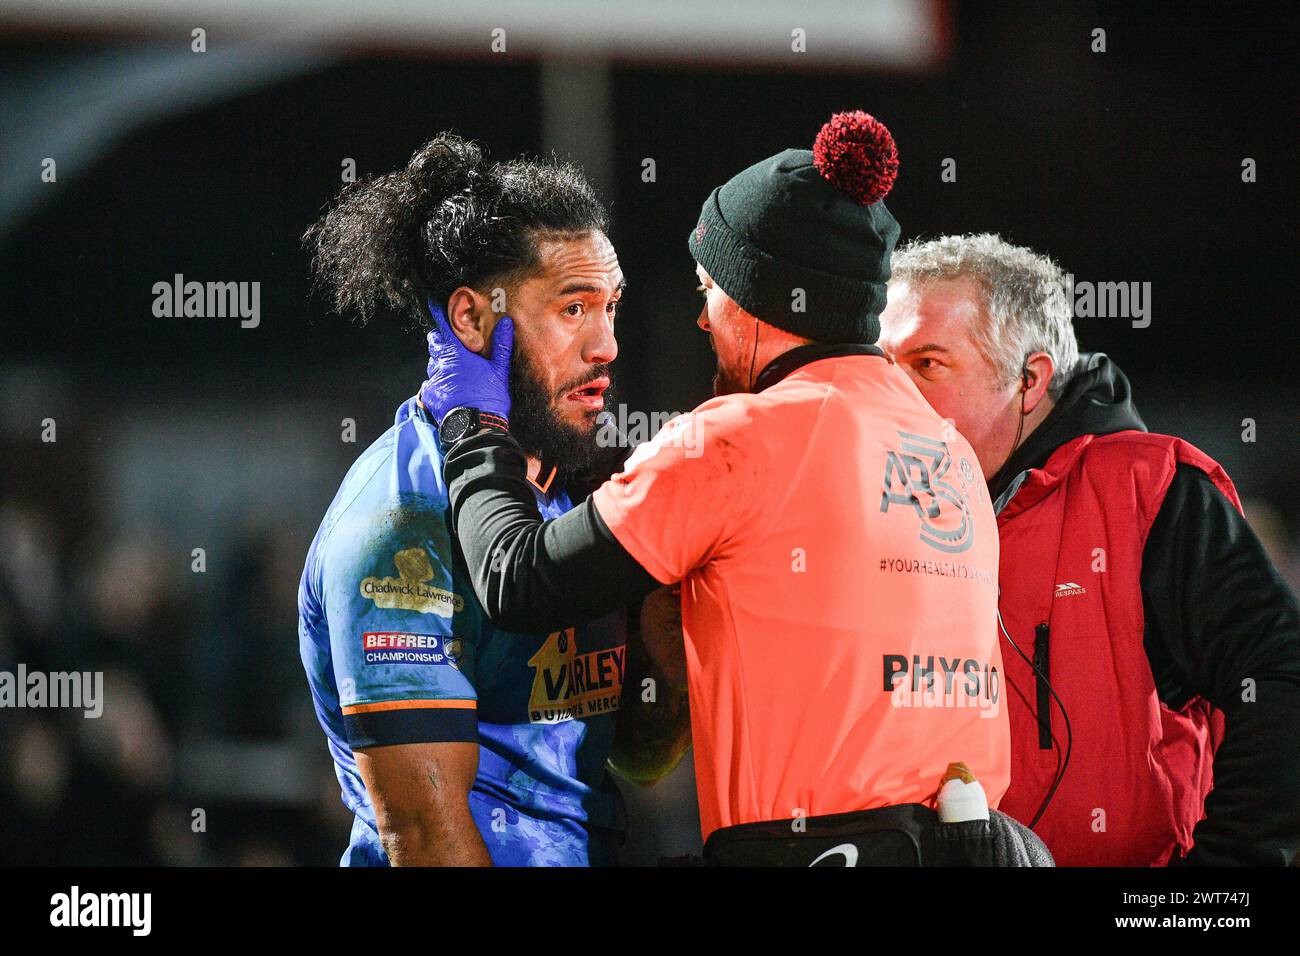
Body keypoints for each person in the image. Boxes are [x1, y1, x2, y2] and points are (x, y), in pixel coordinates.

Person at [424, 112, 1022, 865]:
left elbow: (517, 579)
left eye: (709, 289)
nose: (704, 320)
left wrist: (476, 427)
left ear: (755, 298)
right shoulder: (948, 448)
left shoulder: (740, 437)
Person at [297, 132, 687, 866]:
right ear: (472, 320)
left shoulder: (570, 493)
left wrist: (665, 642)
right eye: (573, 310)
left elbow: (638, 757)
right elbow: (426, 839)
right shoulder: (401, 525)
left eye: (612, 307)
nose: (605, 344)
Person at [878, 233, 1300, 865]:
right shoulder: (874, 507)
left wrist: (1218, 882)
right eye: (884, 366)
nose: (891, 393)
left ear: (1029, 379)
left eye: (927, 365)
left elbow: (1281, 678)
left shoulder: (1151, 490)